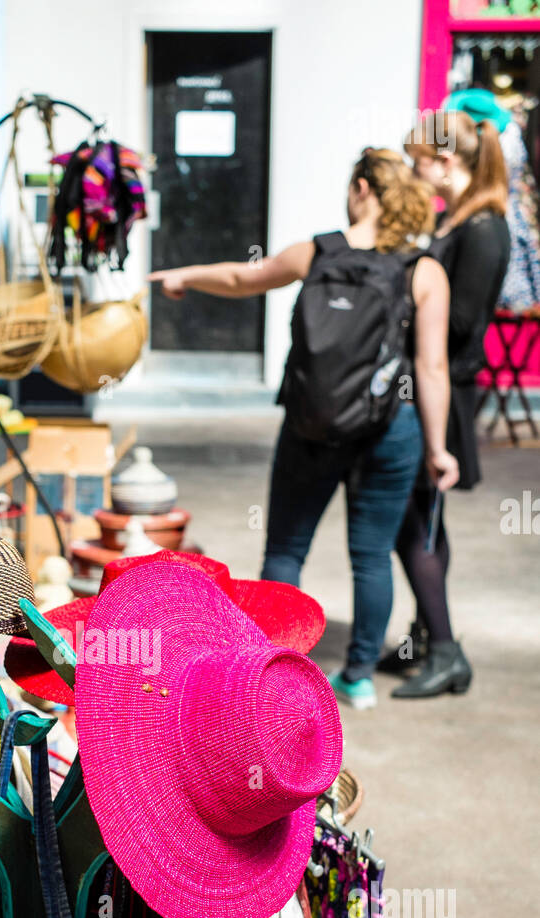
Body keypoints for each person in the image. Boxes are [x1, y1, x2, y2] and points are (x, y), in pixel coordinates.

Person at [149, 149, 457, 710]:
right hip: (389, 429)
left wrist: (184, 277)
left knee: (287, 549)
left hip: (310, 424)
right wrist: (438, 448)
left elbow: (245, 277)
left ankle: (268, 674)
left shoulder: (317, 252)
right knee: (371, 554)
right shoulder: (424, 269)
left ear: (361, 188)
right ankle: (358, 676)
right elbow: (431, 368)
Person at [381, 111, 510, 699]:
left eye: (417, 160)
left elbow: (462, 321)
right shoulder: (461, 220)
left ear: (446, 161)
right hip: (437, 383)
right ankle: (430, 637)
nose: (412, 171)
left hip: (447, 389)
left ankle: (447, 651)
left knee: (416, 525)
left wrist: (410, 293)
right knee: (425, 520)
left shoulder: (483, 228)